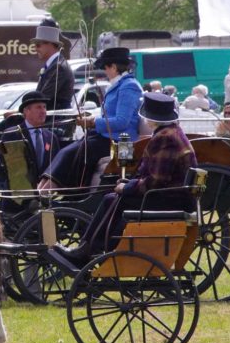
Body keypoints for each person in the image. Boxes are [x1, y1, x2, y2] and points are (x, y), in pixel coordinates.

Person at [55, 92, 198, 262]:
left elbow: (156, 181)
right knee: (112, 197)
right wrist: (130, 183)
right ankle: (90, 247)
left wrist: (128, 187)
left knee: (111, 200)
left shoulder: (165, 138)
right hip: (172, 197)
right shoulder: (173, 132)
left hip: (166, 199)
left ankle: (89, 250)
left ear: (149, 117)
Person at [40, 47, 142, 191]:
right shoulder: (119, 85)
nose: (105, 72)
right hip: (107, 137)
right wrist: (92, 120)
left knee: (74, 152)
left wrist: (93, 122)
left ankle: (55, 190)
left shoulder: (129, 86)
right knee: (67, 150)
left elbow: (121, 121)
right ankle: (46, 186)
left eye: (105, 68)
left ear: (113, 67)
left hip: (122, 143)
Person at [0, 91, 61, 184]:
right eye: (39, 107)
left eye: (44, 107)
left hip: (45, 194)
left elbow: (56, 167)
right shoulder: (12, 134)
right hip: (20, 194)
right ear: (26, 111)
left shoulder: (51, 137)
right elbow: (3, 167)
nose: (43, 111)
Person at [31, 19, 75, 114]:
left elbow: (43, 98)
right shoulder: (52, 65)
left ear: (50, 44)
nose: (35, 49)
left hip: (56, 123)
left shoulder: (59, 67)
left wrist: (22, 112)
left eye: (38, 45)